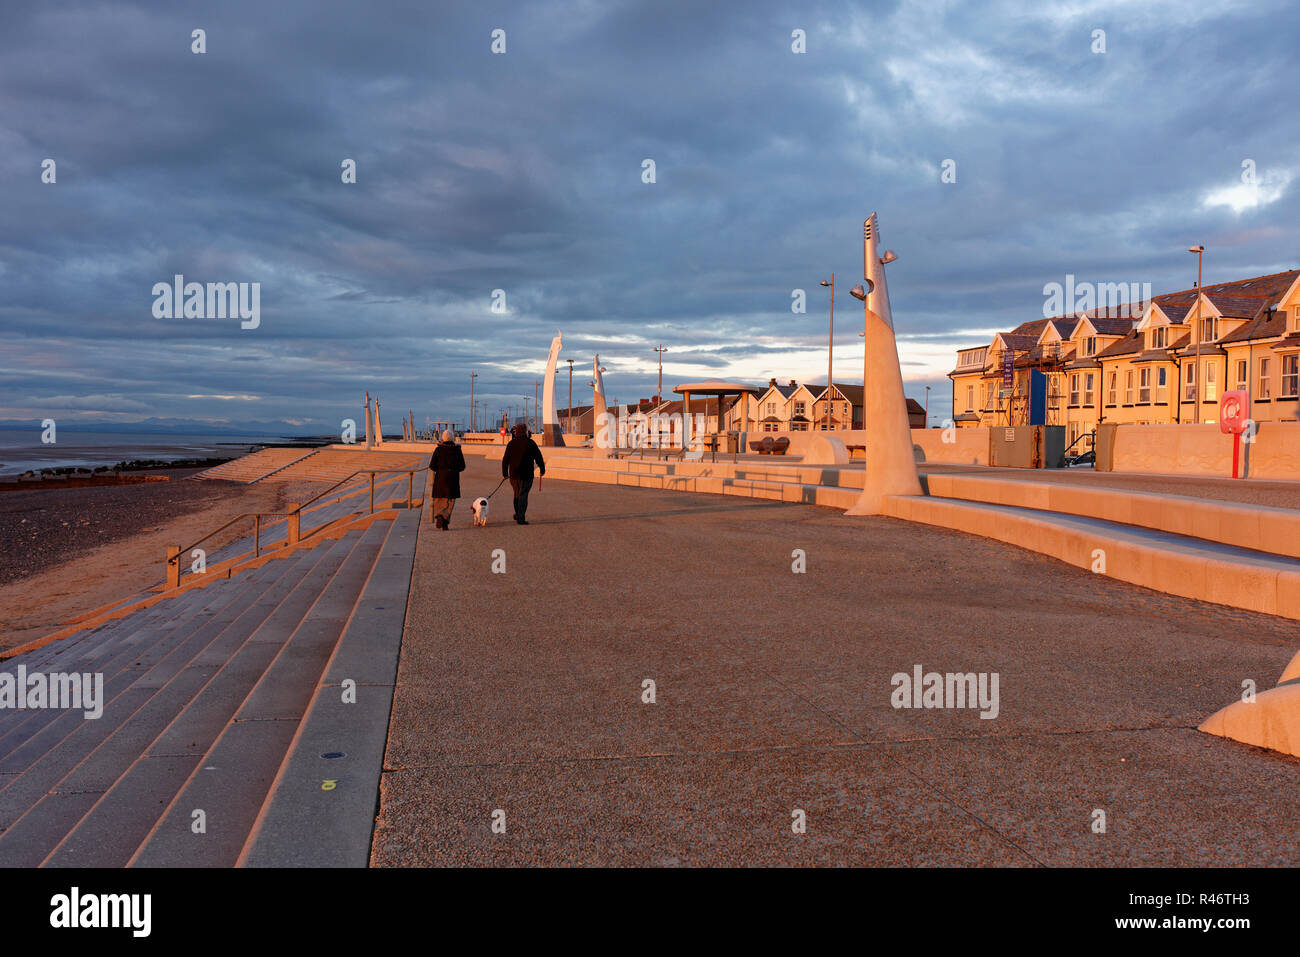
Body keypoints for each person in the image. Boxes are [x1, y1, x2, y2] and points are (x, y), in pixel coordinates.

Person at [501, 423, 545, 525]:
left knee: (517, 494)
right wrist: (542, 469)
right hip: (527, 474)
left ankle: (517, 514)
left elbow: (505, 460)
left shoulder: (511, 443)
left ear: (516, 432)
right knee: (523, 495)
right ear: (525, 431)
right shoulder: (530, 443)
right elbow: (539, 457)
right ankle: (521, 518)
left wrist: (504, 473)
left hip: (514, 475)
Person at [429, 429, 466, 529]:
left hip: (441, 477)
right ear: (452, 438)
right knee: (450, 500)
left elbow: (432, 466)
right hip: (453, 477)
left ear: (443, 438)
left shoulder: (438, 449)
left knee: (439, 499)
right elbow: (462, 466)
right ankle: (445, 520)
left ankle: (440, 515)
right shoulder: (457, 450)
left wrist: (440, 469)